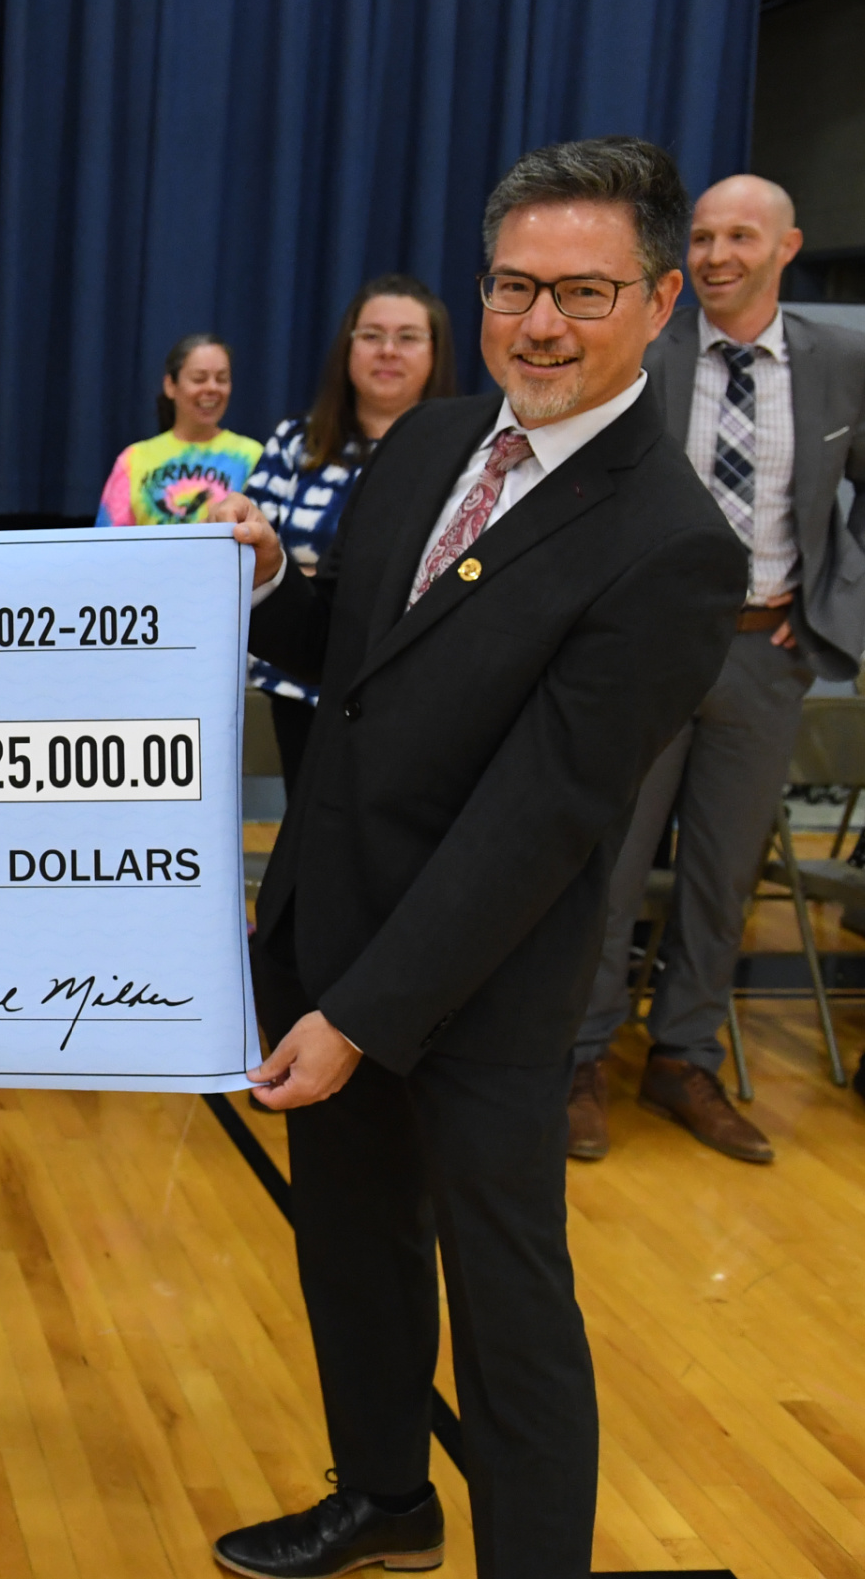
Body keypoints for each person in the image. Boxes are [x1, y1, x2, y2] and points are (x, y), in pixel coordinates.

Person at [208, 137, 745, 1578]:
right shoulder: (437, 440)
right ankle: (387, 1498)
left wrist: (366, 1017)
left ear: (662, 299)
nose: (542, 323)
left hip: (478, 997)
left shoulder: (670, 543)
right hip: (327, 945)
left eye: (584, 289)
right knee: (354, 1257)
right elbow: (362, 663)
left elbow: (542, 817)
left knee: (510, 1315)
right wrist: (271, 583)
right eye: (515, 285)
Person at [568, 174, 865, 1164]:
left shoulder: (839, 362)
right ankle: (578, 1059)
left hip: (765, 654)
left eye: (741, 235)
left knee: (721, 876)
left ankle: (684, 1057)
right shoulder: (646, 350)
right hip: (646, 654)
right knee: (608, 869)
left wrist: (832, 614)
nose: (716, 254)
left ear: (789, 246)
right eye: (701, 236)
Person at [243, 277, 455, 778]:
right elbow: (254, 551)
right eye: (371, 335)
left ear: (436, 352)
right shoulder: (295, 442)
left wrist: (308, 574)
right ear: (347, 347)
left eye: (407, 337)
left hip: (416, 689)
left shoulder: (465, 455)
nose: (387, 351)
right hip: (298, 683)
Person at [96, 333, 263, 525]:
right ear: (170, 385)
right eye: (199, 379)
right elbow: (107, 542)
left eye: (222, 379)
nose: (212, 388)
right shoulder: (133, 459)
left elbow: (265, 539)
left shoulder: (252, 456)